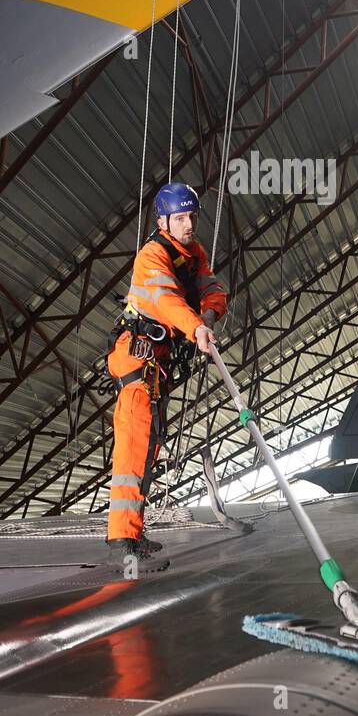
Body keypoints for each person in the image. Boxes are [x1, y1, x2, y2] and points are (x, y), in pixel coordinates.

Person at [105, 182, 228, 559]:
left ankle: (132, 534)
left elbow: (213, 287)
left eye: (191, 216)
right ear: (163, 221)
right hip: (136, 358)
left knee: (149, 446)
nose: (188, 224)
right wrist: (195, 328)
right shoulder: (151, 256)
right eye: (180, 218)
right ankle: (122, 539)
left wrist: (207, 315)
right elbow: (165, 300)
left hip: (156, 364)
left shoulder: (193, 254)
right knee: (135, 447)